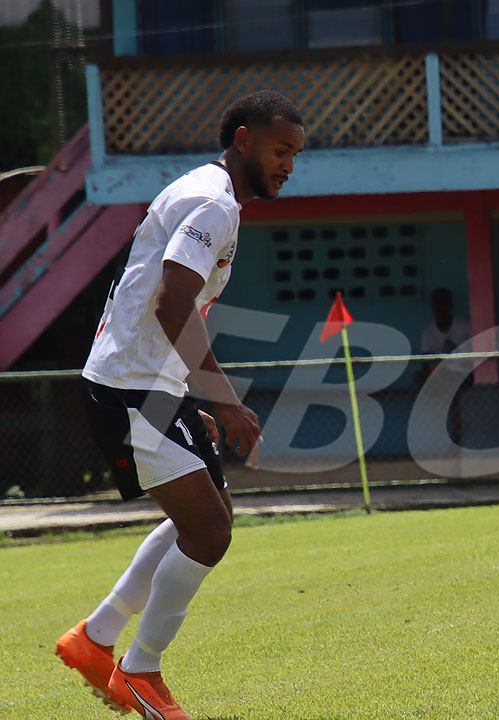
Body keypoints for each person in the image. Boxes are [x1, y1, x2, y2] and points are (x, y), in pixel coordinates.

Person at [55, 91, 304, 720]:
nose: (288, 166)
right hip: (131, 388)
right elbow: (172, 304)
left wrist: (193, 397)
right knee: (209, 531)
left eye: (295, 155)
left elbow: (168, 305)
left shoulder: (214, 197)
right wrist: (225, 401)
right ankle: (140, 671)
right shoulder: (211, 203)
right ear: (244, 140)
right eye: (280, 150)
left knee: (210, 514)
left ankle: (96, 639)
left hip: (150, 382)